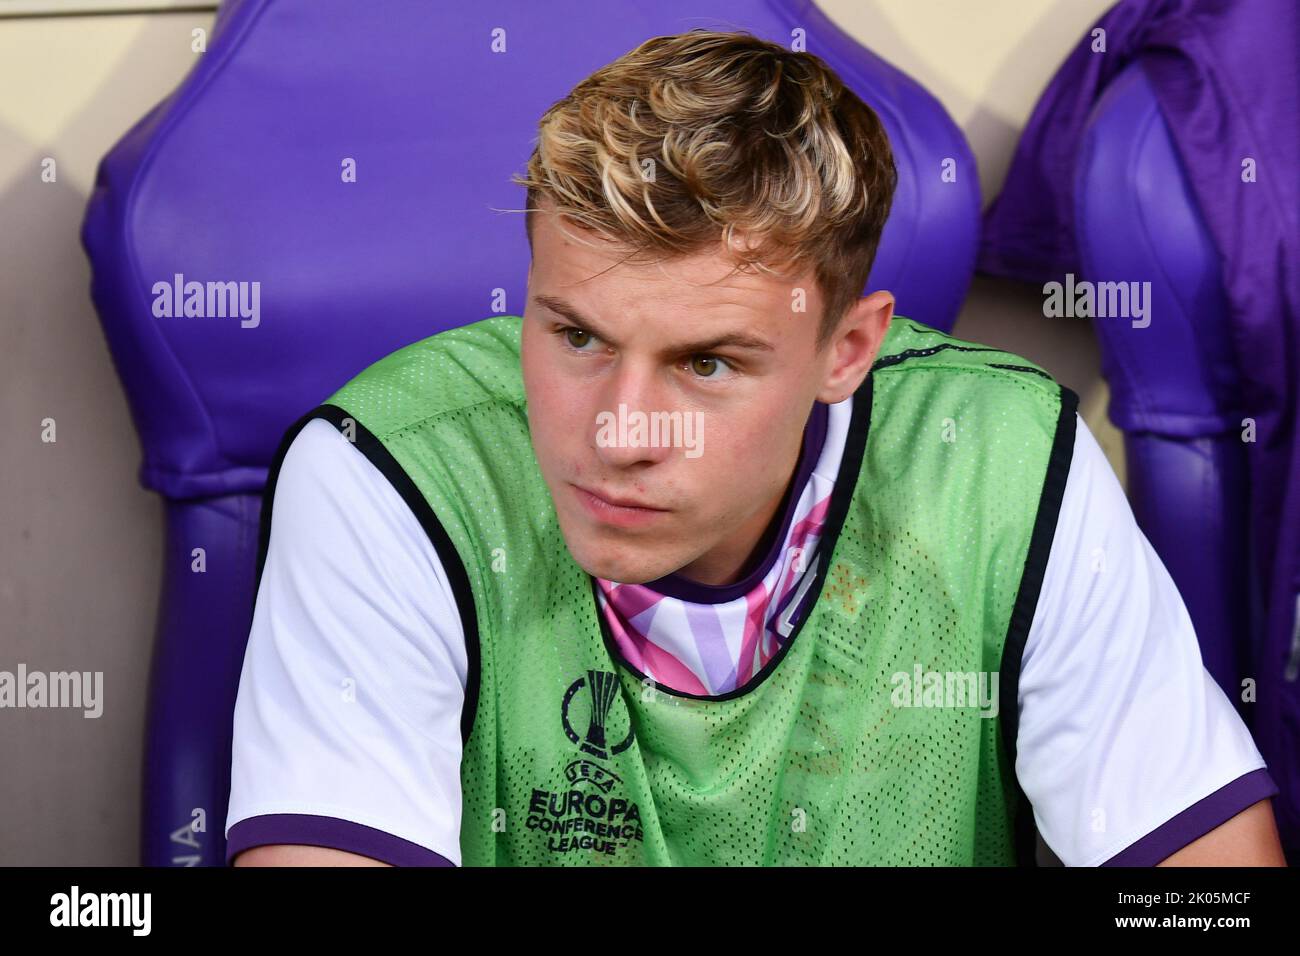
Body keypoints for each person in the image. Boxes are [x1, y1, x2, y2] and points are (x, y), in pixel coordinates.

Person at [225, 29, 1285, 866]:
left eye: (705, 363)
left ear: (847, 348)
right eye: (578, 334)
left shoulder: (1002, 462)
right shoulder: (392, 471)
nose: (618, 432)